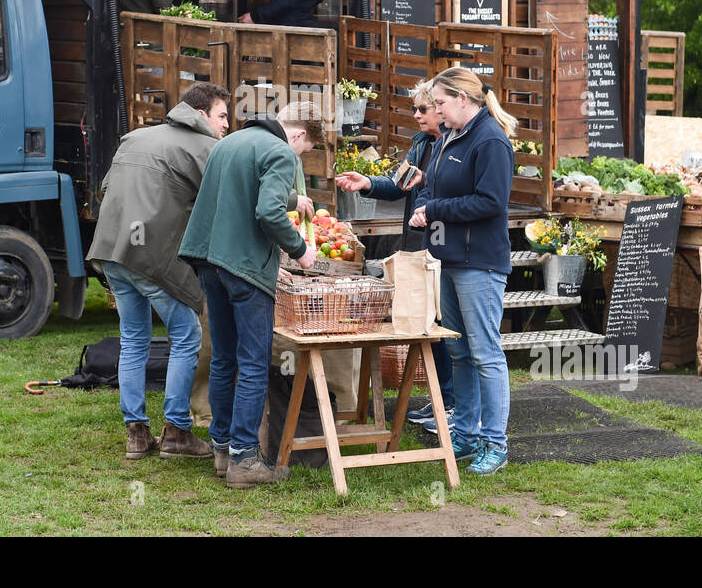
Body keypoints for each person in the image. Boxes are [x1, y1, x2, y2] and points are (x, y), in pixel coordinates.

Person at [179, 101, 324, 488]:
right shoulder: (280, 151)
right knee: (254, 362)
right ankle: (246, 460)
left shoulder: (232, 141)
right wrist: (300, 251)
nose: (299, 159)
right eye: (304, 151)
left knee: (225, 359)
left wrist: (295, 200)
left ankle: (222, 450)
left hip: (209, 260)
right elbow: (268, 213)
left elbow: (239, 193)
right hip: (243, 266)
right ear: (296, 136)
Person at [86, 82, 230, 460]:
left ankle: (136, 434)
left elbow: (106, 190)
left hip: (111, 250)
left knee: (134, 340)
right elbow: (234, 195)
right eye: (222, 116)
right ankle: (178, 432)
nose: (227, 125)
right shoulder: (205, 147)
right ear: (201, 115)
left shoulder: (134, 137)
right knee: (187, 335)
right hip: (149, 256)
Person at [409, 67, 516, 477]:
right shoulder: (448, 139)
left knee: (486, 354)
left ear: (463, 100)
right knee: (459, 352)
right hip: (448, 261)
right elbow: (435, 187)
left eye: (439, 103)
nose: (436, 110)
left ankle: (495, 443)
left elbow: (490, 202)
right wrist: (425, 204)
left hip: (480, 263)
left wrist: (434, 210)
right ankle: (467, 434)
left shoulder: (490, 141)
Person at [334, 79, 455, 432]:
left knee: (441, 324)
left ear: (442, 109)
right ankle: (441, 402)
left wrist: (427, 186)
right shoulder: (421, 144)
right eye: (415, 109)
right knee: (426, 324)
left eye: (423, 109)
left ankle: (452, 405)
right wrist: (367, 182)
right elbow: (399, 183)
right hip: (417, 242)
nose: (416, 115)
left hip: (443, 244)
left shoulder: (455, 144)